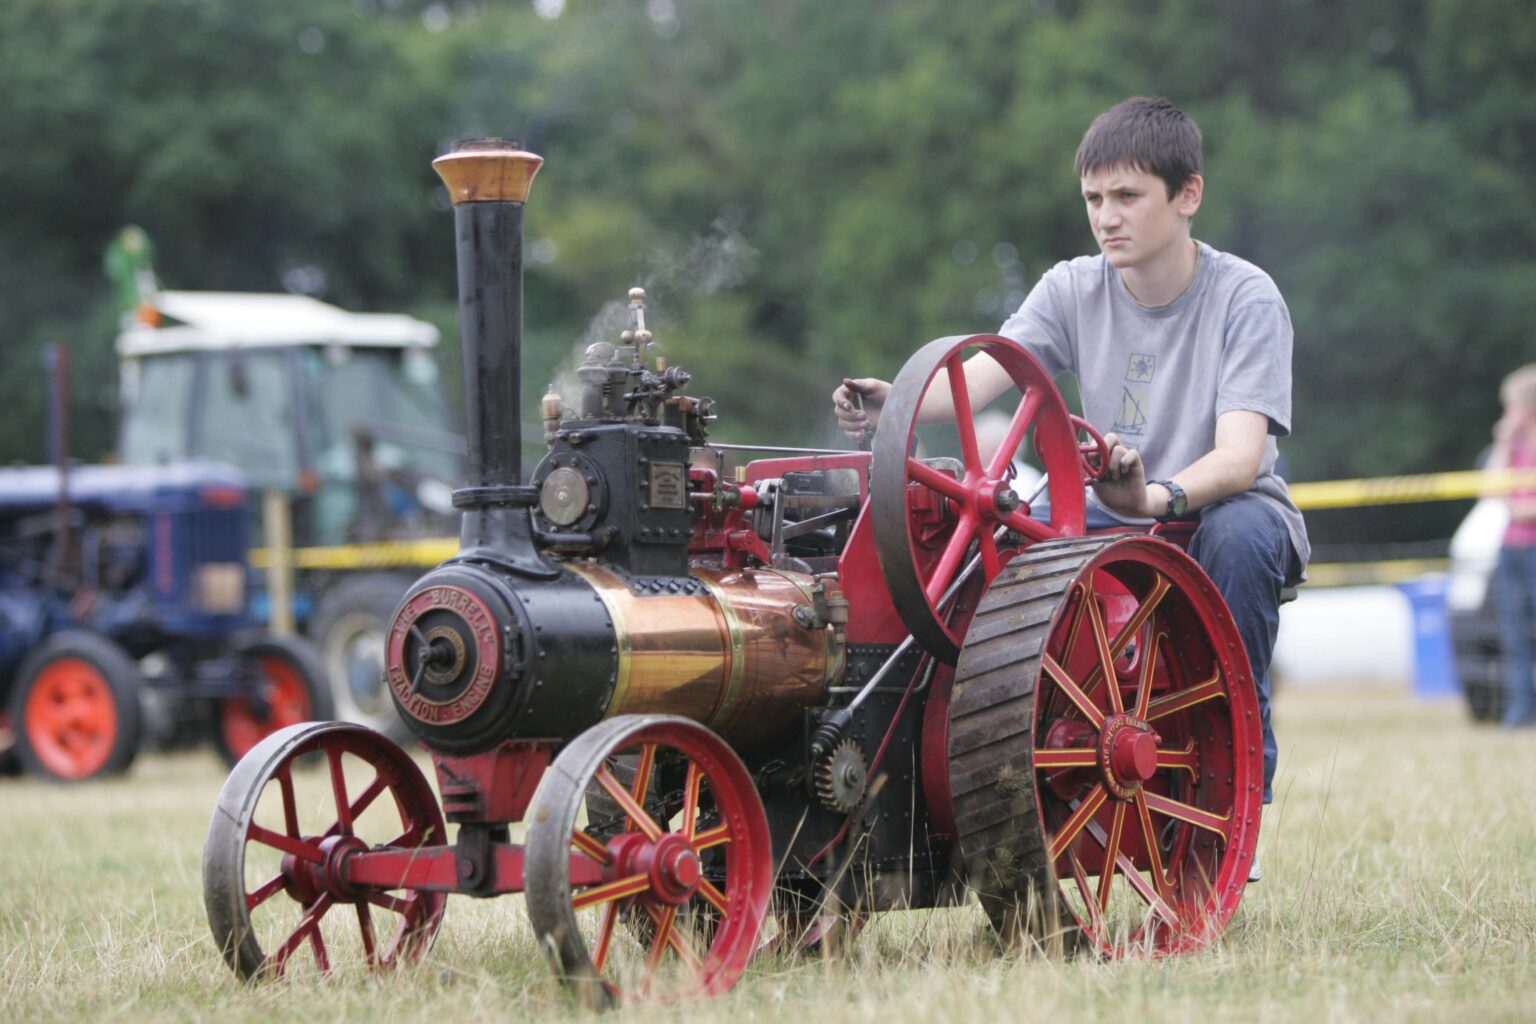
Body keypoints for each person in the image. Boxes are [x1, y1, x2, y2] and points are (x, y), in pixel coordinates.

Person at [832, 96, 1308, 882]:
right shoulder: (1071, 289)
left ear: (1187, 195)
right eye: (1093, 198)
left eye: (1128, 197)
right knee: (1010, 540)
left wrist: (1151, 500)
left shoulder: (1245, 297)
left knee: (1242, 538)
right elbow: (979, 379)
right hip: (1102, 503)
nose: (1106, 218)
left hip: (1214, 509)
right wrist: (898, 401)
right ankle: (1003, 781)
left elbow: (1240, 457)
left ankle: (1229, 809)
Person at [1489, 363, 1536, 728]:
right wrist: (1504, 444)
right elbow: (1490, 486)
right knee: (1514, 633)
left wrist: (1520, 506)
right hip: (1512, 548)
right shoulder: (1515, 448)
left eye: (1511, 407)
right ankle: (1521, 710)